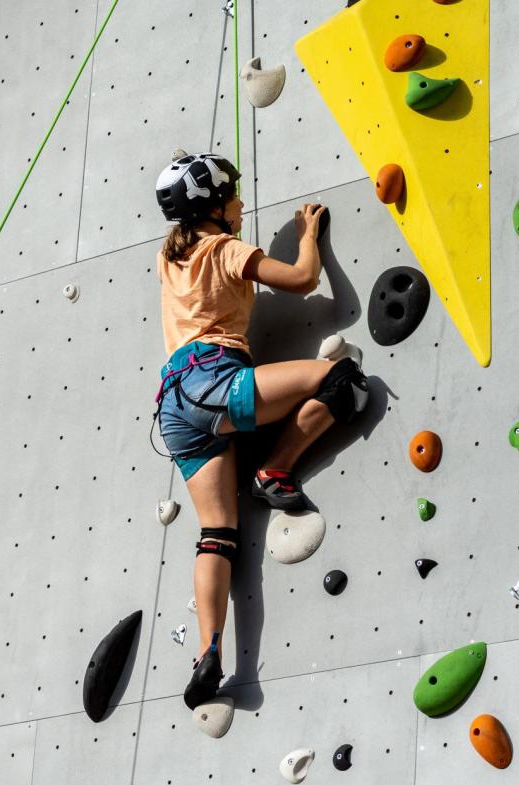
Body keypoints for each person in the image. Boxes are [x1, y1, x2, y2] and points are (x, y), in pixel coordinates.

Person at [150, 152, 369, 709]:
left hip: (174, 405)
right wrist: (308, 233)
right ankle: (274, 468)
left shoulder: (169, 257)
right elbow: (301, 279)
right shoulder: (224, 249)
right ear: (214, 208)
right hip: (215, 383)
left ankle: (208, 656)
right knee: (341, 382)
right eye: (235, 198)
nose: (243, 205)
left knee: (217, 533)